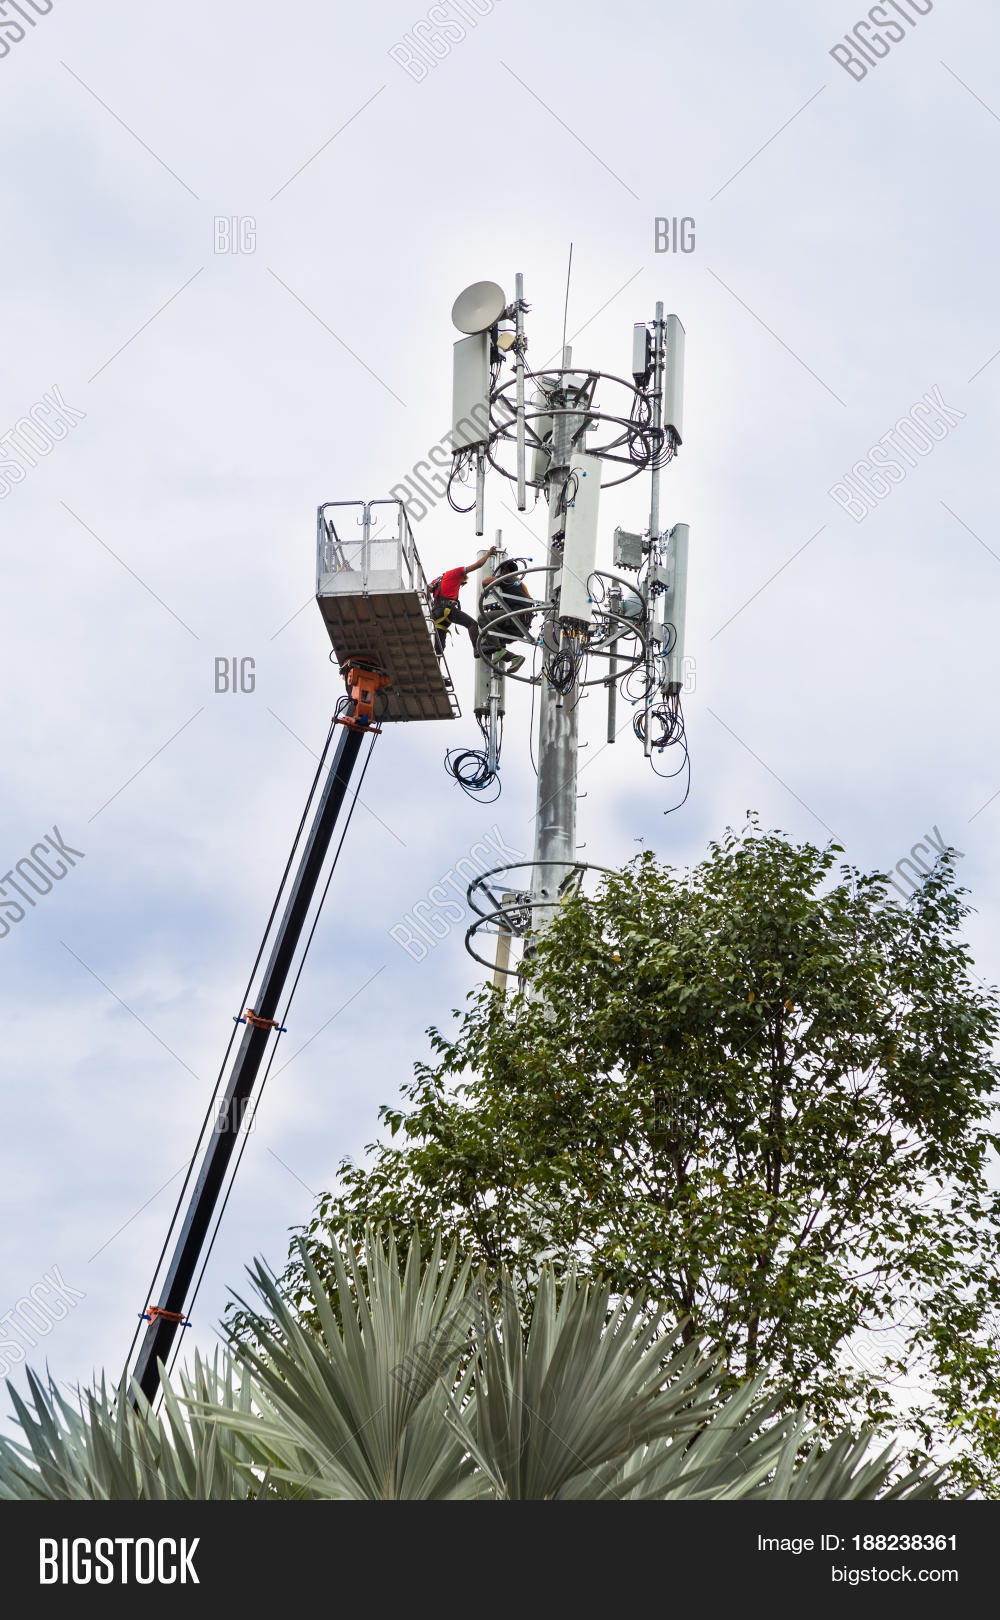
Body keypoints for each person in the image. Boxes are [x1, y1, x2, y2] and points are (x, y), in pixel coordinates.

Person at [427, 548, 496, 656]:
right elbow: (478, 564)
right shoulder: (457, 572)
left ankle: (437, 668)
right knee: (472, 624)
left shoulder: (438, 580)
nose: (460, 584)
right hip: (447, 609)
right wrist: (488, 553)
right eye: (462, 582)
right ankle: (477, 648)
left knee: (440, 645)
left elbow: (428, 589)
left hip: (436, 613)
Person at [478, 559, 535, 674]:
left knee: (483, 618)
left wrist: (497, 578)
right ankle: (514, 658)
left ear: (506, 570)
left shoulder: (508, 578)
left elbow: (485, 582)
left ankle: (499, 650)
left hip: (517, 617)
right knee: (489, 642)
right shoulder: (519, 584)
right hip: (522, 626)